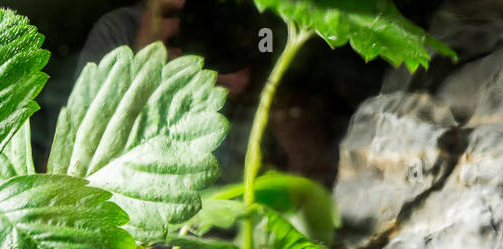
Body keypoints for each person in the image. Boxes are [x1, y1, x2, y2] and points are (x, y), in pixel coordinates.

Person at [75, 0, 333, 183]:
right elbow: (72, 170)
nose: (210, 30)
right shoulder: (127, 30)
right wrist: (147, 64)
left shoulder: (268, 29)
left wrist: (266, 87)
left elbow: (314, 174)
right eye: (177, 13)